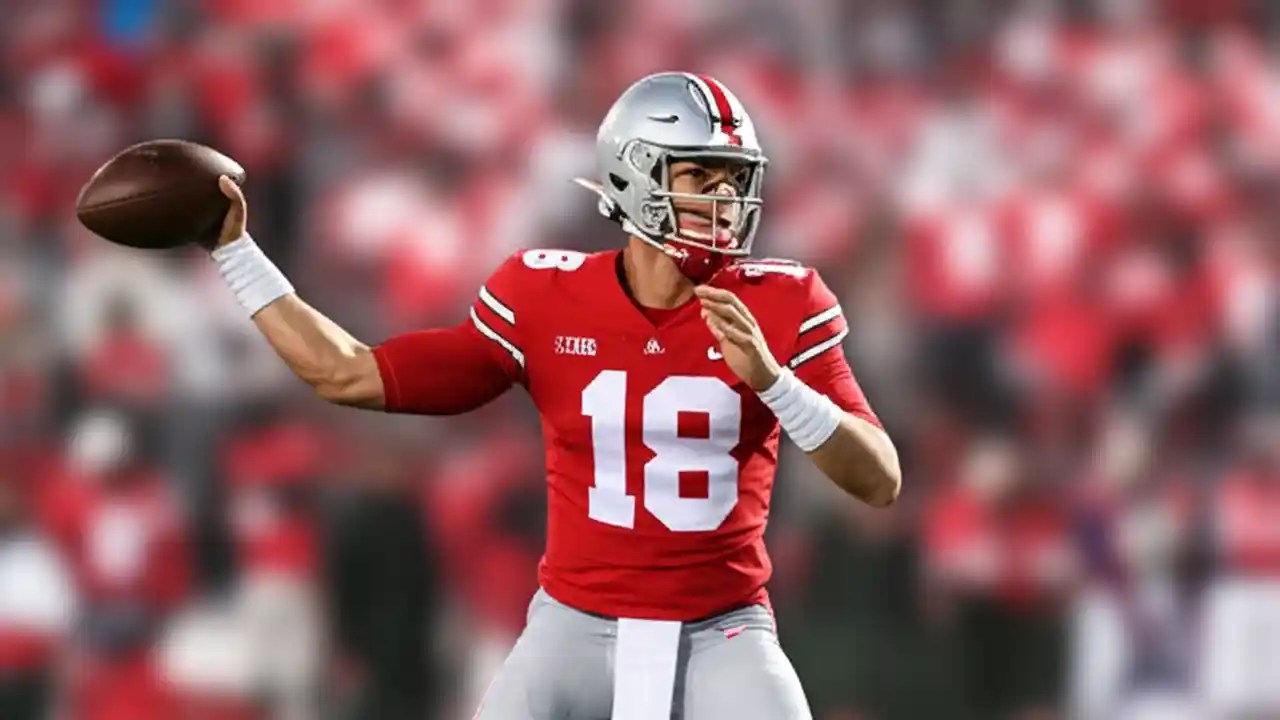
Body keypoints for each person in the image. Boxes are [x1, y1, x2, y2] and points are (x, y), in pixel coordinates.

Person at [202, 72, 900, 719]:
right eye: (699, 175)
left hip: (724, 629)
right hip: (574, 625)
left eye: (733, 179)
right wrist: (234, 250)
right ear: (633, 174)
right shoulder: (545, 295)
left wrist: (776, 384)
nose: (722, 200)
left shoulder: (780, 301)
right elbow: (348, 372)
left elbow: (879, 478)